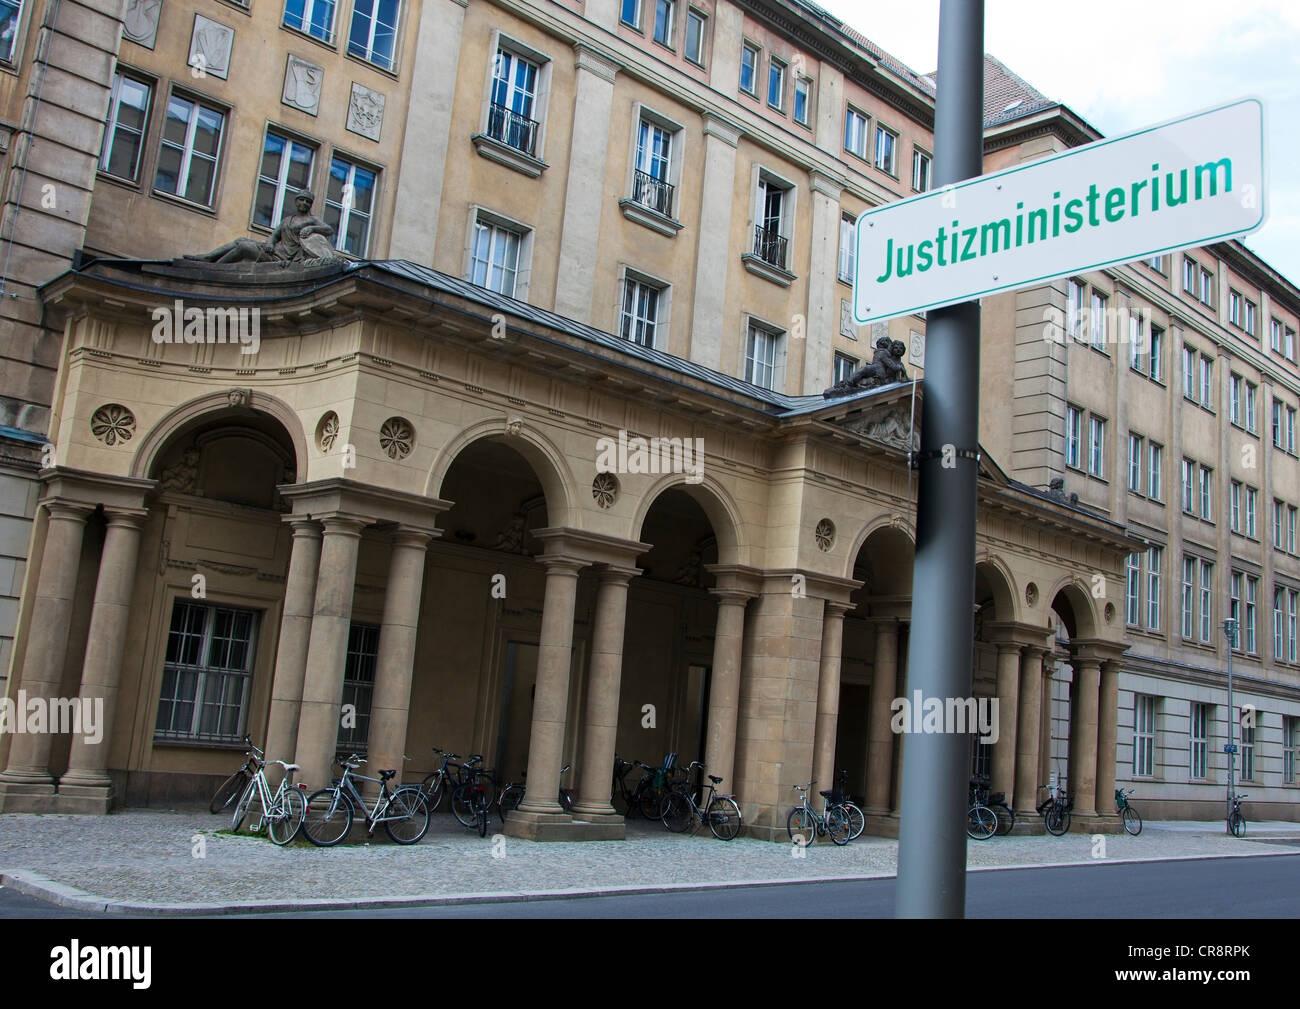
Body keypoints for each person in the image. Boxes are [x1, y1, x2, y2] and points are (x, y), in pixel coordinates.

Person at [185, 190, 340, 264]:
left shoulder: (312, 220)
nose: (304, 203)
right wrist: (270, 243)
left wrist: (313, 229)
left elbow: (329, 230)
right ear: (296, 201)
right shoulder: (288, 220)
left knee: (244, 247)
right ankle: (208, 257)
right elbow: (274, 235)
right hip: (275, 250)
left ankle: (216, 267)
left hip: (285, 256)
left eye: (307, 202)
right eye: (302, 200)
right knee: (240, 240)